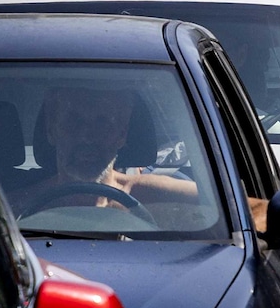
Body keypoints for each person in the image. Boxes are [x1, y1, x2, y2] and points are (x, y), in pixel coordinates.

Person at [14, 83, 201, 217]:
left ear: (122, 133)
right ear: (51, 130)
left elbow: (226, 212)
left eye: (102, 122)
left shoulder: (160, 199)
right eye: (73, 120)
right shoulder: (12, 212)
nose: (86, 135)